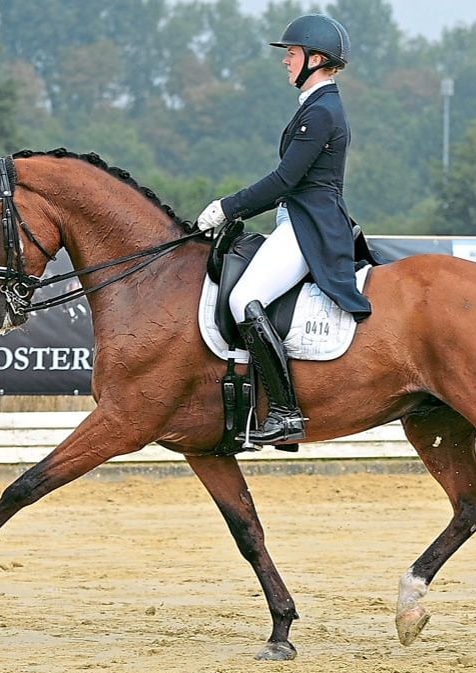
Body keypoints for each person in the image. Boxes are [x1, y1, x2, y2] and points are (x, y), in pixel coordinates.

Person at [195, 14, 370, 445]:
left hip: (310, 225)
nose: (286, 61)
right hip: (296, 219)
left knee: (243, 299)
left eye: (291, 54)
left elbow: (284, 181)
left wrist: (226, 208)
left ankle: (287, 413)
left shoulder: (323, 111)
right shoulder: (316, 107)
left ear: (316, 59)